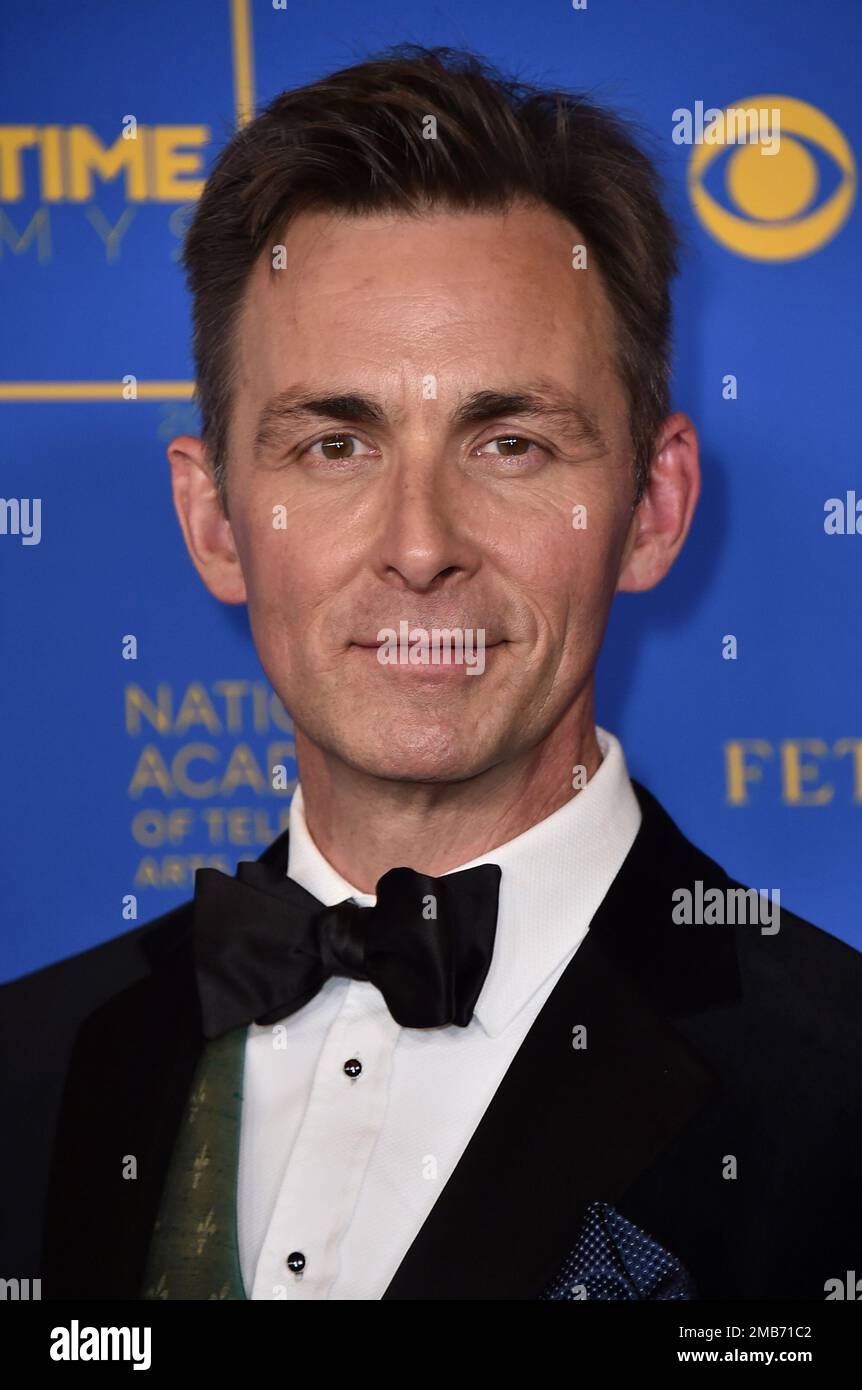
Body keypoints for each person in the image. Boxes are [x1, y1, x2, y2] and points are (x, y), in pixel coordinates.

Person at [3, 44, 860, 1302]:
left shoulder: (837, 1086)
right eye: (334, 444)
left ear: (653, 507)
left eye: (509, 442)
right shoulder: (27, 1063)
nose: (419, 547)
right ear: (215, 520)